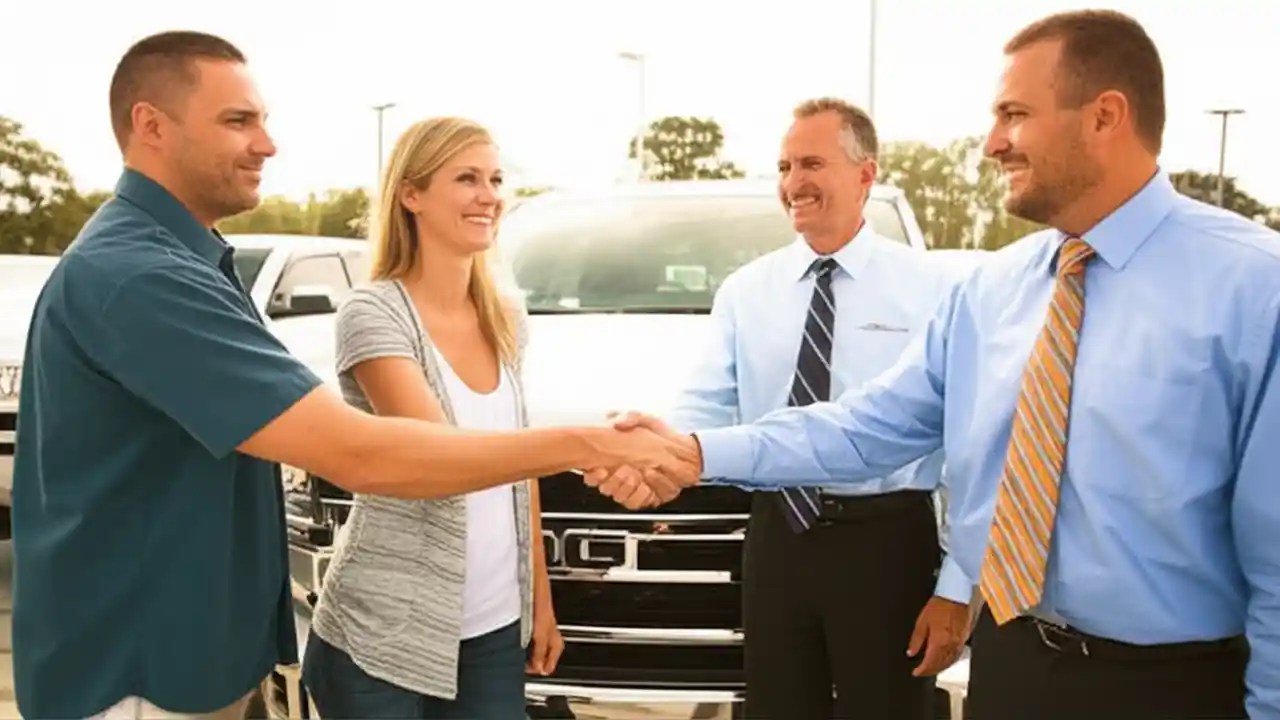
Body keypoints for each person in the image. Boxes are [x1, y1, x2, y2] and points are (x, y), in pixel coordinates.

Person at [598, 9, 1280, 720]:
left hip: (1175, 688)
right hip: (1011, 665)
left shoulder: (1255, 290)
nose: (991, 144)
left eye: (1014, 115)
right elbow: (864, 429)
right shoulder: (993, 292)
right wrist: (693, 450)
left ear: (1105, 116)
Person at [11, 31, 688, 720]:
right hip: (137, 675)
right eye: (238, 120)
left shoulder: (184, 262)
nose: (267, 144)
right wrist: (589, 444)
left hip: (188, 662)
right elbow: (361, 453)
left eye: (263, 120)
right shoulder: (142, 277)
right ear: (150, 125)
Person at [598, 97, 968, 719]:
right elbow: (708, 410)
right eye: (784, 166)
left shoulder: (937, 290)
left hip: (887, 544)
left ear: (865, 174)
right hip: (776, 538)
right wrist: (651, 461)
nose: (793, 183)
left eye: (811, 163)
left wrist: (957, 585)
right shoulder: (747, 291)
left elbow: (966, 448)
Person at [299, 116, 561, 718]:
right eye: (466, 178)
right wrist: (582, 445)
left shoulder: (505, 318)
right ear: (411, 195)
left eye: (495, 178)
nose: (489, 195)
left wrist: (539, 600)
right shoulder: (374, 314)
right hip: (382, 636)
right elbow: (441, 464)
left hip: (494, 628)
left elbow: (521, 472)